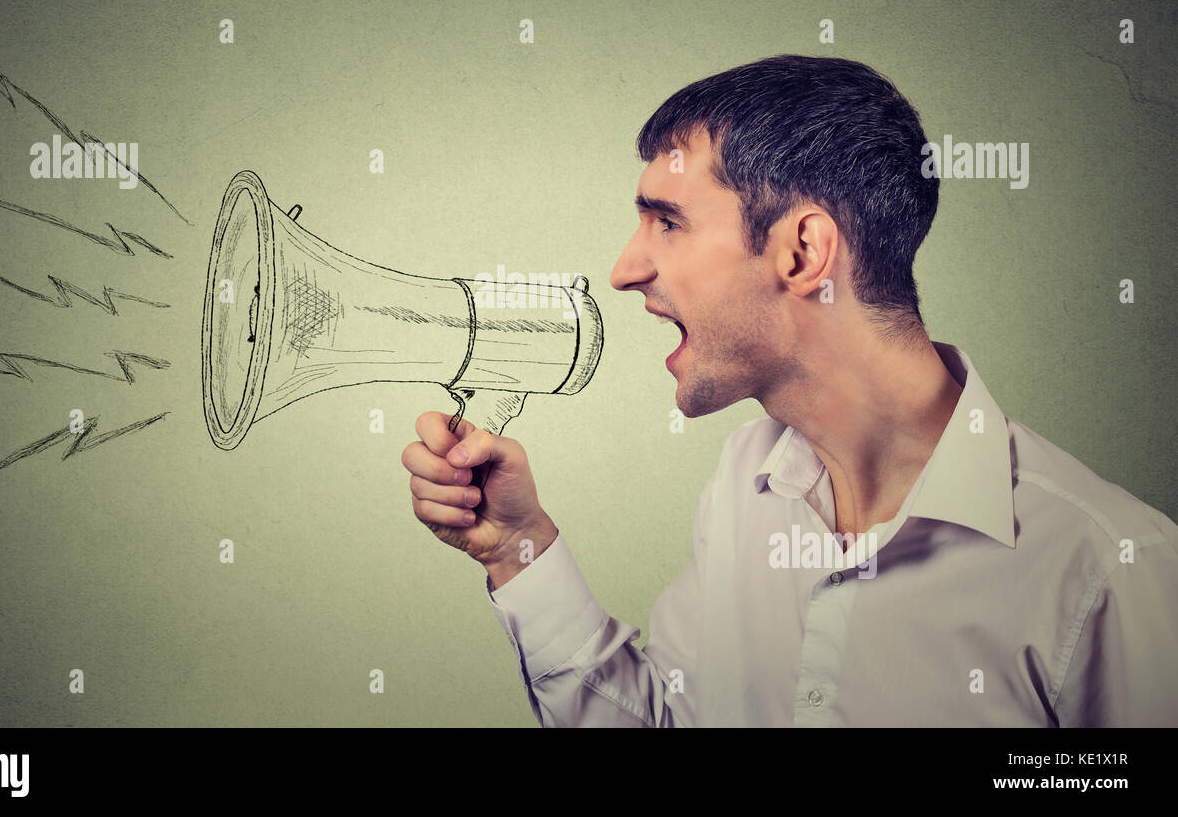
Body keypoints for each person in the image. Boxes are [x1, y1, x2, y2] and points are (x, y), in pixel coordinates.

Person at [400, 55, 1178, 726]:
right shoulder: (748, 482)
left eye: (667, 222)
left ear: (803, 251)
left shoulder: (1108, 568)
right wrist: (515, 545)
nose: (625, 270)